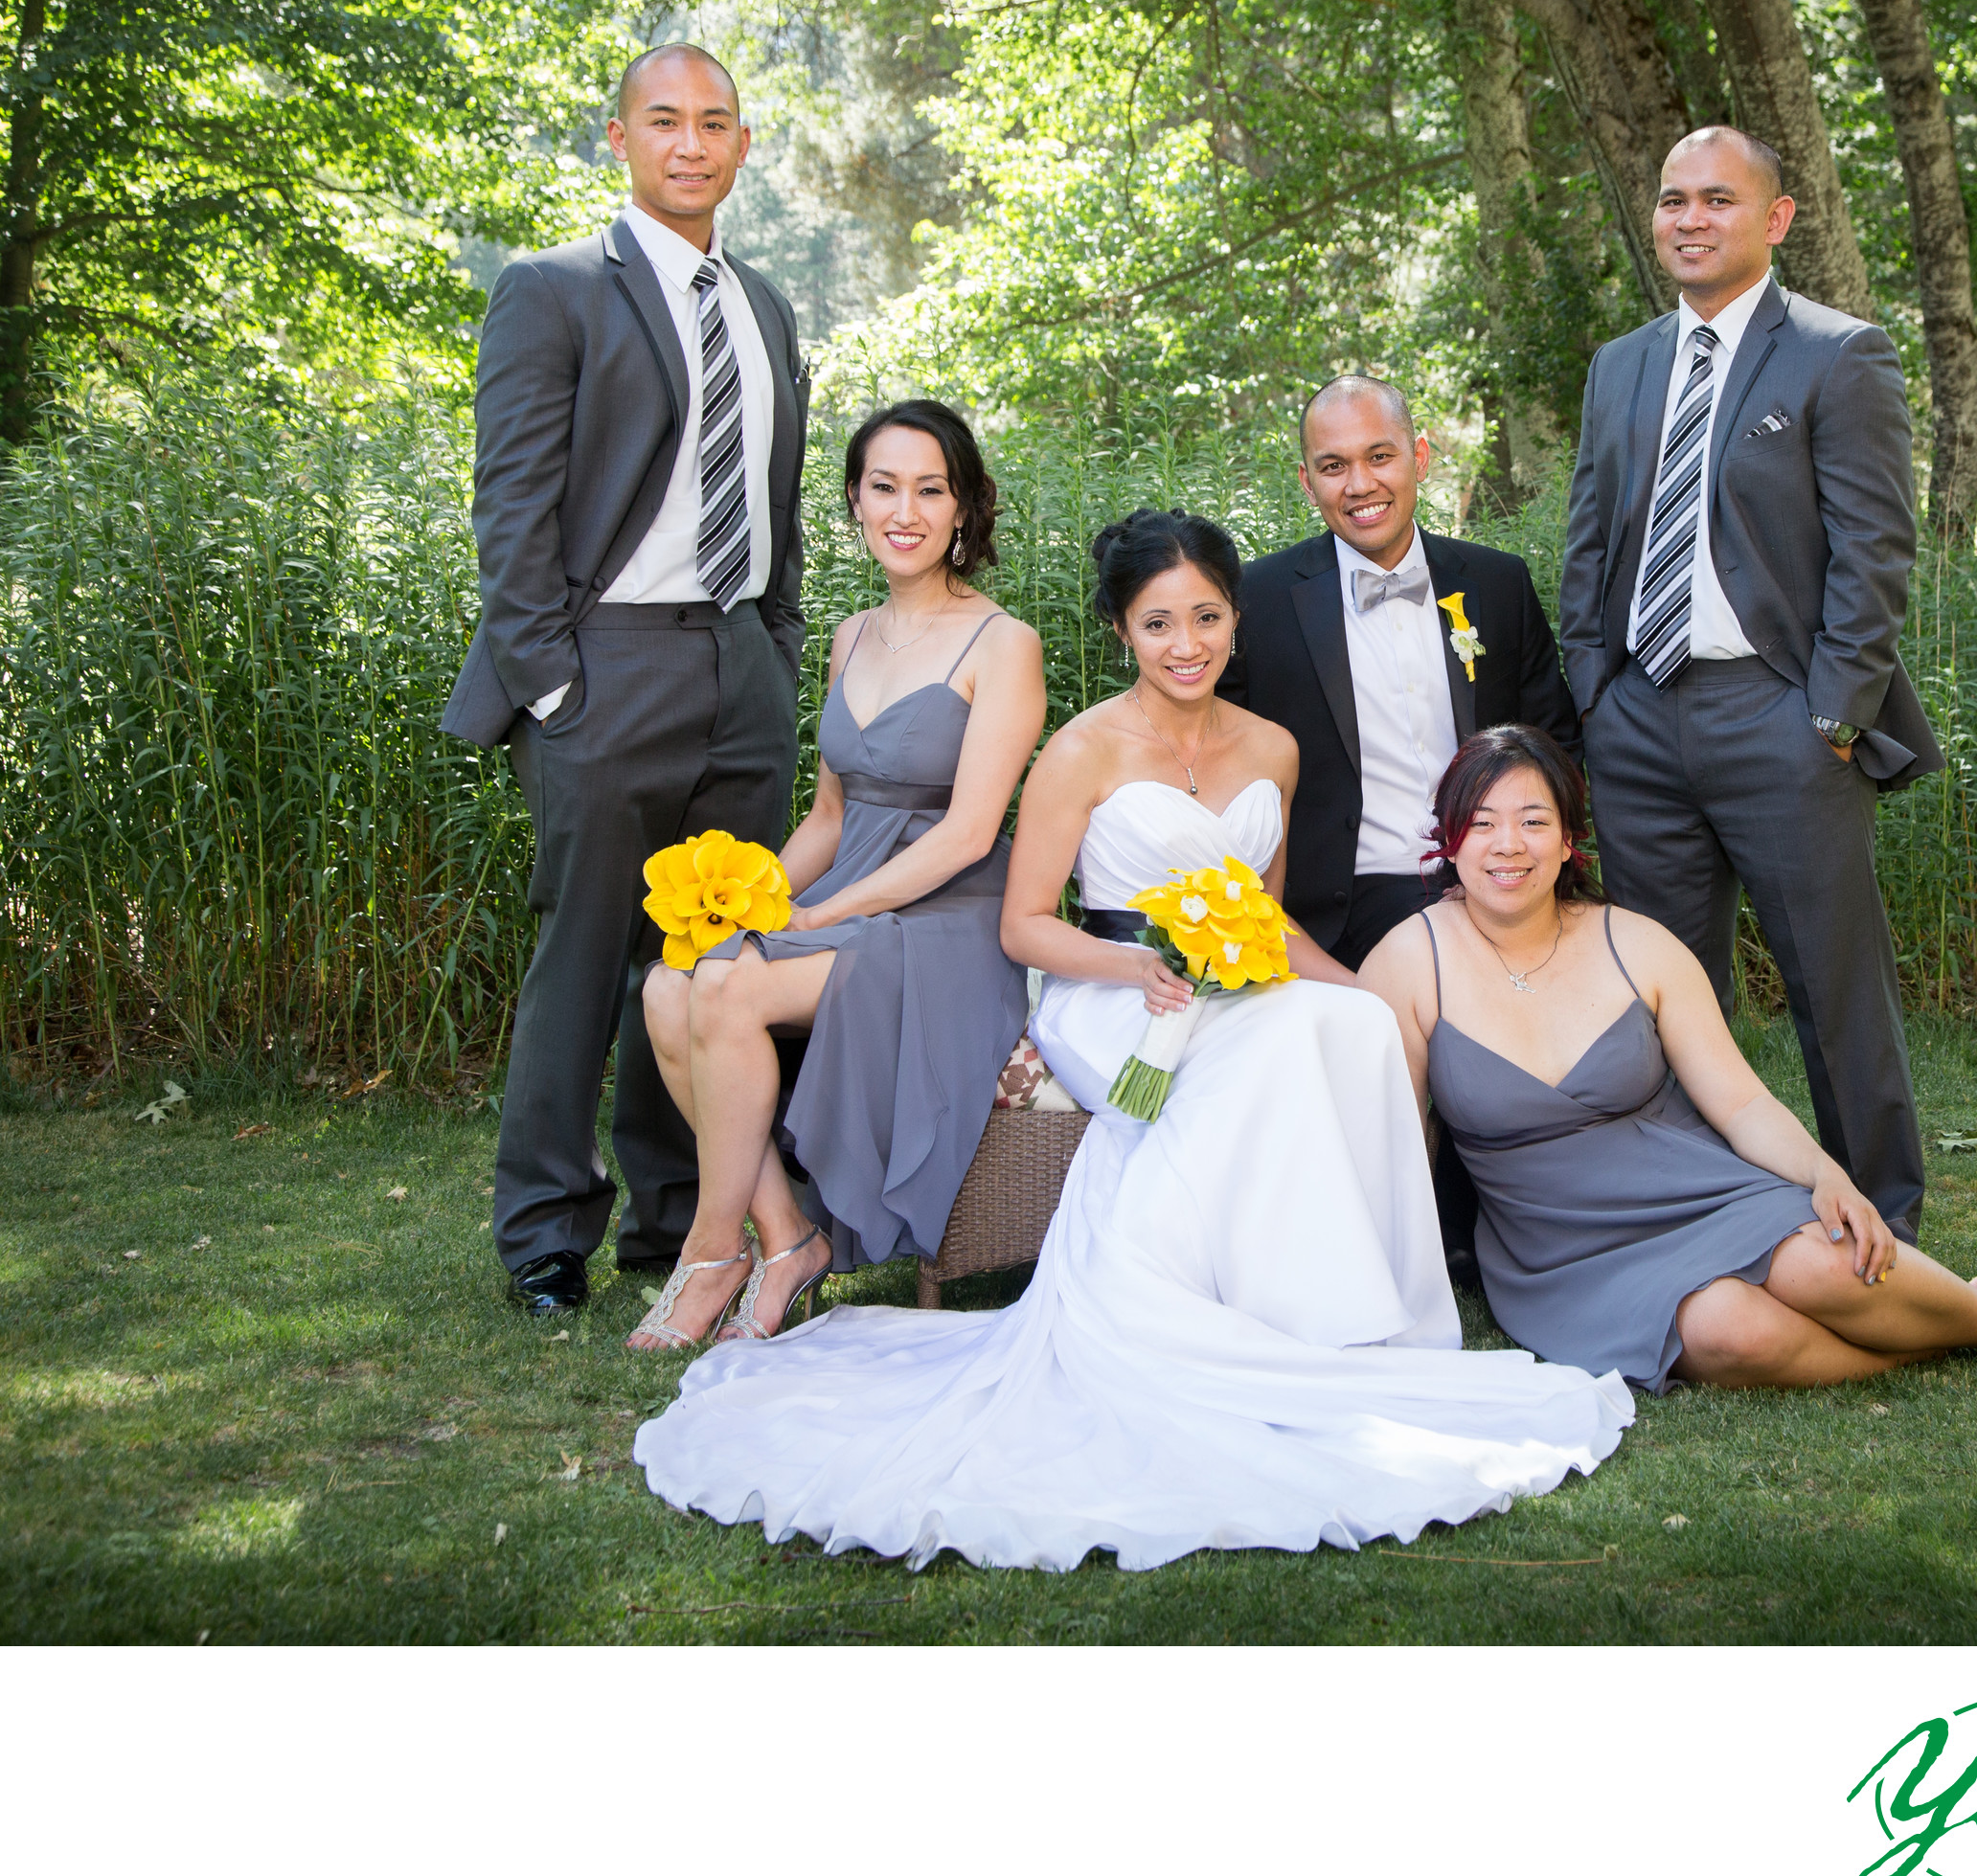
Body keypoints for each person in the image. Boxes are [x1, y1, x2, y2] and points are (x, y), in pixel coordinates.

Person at [631, 510, 1632, 1571]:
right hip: (1104, 988)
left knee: (1340, 1023)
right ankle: (1192, 1323)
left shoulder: (1273, 749)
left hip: (1227, 984)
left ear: (1235, 623)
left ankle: (1328, 1319)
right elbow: (1027, 925)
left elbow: (1267, 920)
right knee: (1263, 1047)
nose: (1185, 642)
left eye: (1205, 616)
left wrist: (1366, 994)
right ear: (1121, 629)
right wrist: (1136, 969)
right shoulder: (1081, 750)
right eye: (1159, 622)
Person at [1361, 727, 1977, 1390]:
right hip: (1558, 1249)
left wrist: (1826, 1176)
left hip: (1696, 1190)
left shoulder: (1635, 942)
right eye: (1485, 821)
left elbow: (1738, 1102)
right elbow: (1398, 1147)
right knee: (1734, 1334)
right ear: (1449, 837)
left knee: (1822, 1269)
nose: (1510, 844)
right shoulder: (1408, 963)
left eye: (1534, 821)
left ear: (1569, 840)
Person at [440, 42, 809, 1318]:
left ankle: (677, 1220)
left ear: (743, 146)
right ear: (620, 137)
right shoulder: (550, 291)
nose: (692, 144)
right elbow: (514, 506)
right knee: (589, 957)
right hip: (604, 665)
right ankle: (546, 1232)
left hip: (738, 669)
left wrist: (777, 648)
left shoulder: (765, 307)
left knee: (709, 963)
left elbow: (776, 503)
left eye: (715, 123)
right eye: (665, 121)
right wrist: (551, 687)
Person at [1557, 126, 1942, 1254]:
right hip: (1637, 722)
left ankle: (1887, 1224)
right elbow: (1591, 542)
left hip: (1781, 720)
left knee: (1835, 989)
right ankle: (1707, 1217)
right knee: (1664, 998)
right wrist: (1595, 692)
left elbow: (1876, 555)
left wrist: (1832, 716)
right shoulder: (1620, 365)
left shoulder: (1838, 353)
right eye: (1672, 199)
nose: (1687, 218)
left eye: (1716, 200)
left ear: (1773, 219)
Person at [625, 401, 1046, 1351]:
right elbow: (828, 819)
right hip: (849, 895)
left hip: (948, 920)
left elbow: (970, 832)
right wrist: (733, 899)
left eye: (930, 489)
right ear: (855, 499)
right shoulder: (852, 635)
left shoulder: (1002, 643)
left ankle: (708, 1248)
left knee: (731, 996)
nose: (906, 509)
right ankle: (785, 1238)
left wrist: (824, 914)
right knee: (668, 982)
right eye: (884, 486)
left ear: (964, 507)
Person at [1220, 373, 1579, 1281]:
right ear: (1306, 482)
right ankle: (1387, 1243)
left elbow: (1555, 740)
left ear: (1418, 458)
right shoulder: (1259, 601)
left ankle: (1519, 1224)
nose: (1360, 483)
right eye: (1334, 466)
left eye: (1379, 456)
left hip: (1493, 879)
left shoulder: (1494, 585)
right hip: (1353, 894)